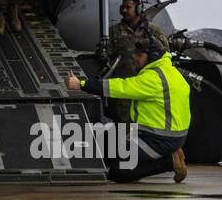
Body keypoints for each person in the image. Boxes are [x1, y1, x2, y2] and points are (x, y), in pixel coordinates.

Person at [66, 36, 190, 183]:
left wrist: (81, 85)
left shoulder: (153, 78)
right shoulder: (170, 72)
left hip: (159, 138)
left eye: (139, 55)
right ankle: (169, 152)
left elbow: (119, 87)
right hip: (162, 133)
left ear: (153, 56)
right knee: (104, 146)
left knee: (118, 172)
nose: (135, 58)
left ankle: (169, 161)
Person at [106, 0, 169, 124]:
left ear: (139, 9)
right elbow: (106, 56)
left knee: (143, 124)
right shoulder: (113, 31)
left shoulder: (153, 30)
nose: (124, 10)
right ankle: (126, 144)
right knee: (124, 129)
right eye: (122, 7)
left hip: (146, 88)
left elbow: (165, 54)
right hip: (124, 89)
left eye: (128, 7)